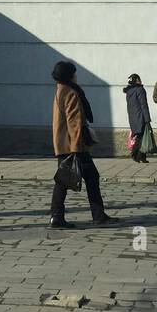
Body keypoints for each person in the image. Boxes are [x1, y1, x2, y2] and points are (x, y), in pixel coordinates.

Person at [49, 61, 115, 228]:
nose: (76, 76)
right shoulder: (70, 93)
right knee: (92, 177)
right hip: (74, 146)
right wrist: (78, 148)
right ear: (69, 75)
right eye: (74, 73)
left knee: (63, 181)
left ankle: (56, 217)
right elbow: (74, 122)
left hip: (63, 145)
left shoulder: (59, 90)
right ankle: (98, 215)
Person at [123, 74, 152, 163]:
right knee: (141, 137)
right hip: (141, 117)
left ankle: (142, 157)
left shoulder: (129, 91)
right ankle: (135, 154)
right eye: (140, 79)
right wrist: (147, 119)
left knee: (140, 136)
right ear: (137, 80)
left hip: (133, 117)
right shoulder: (140, 90)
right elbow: (143, 105)